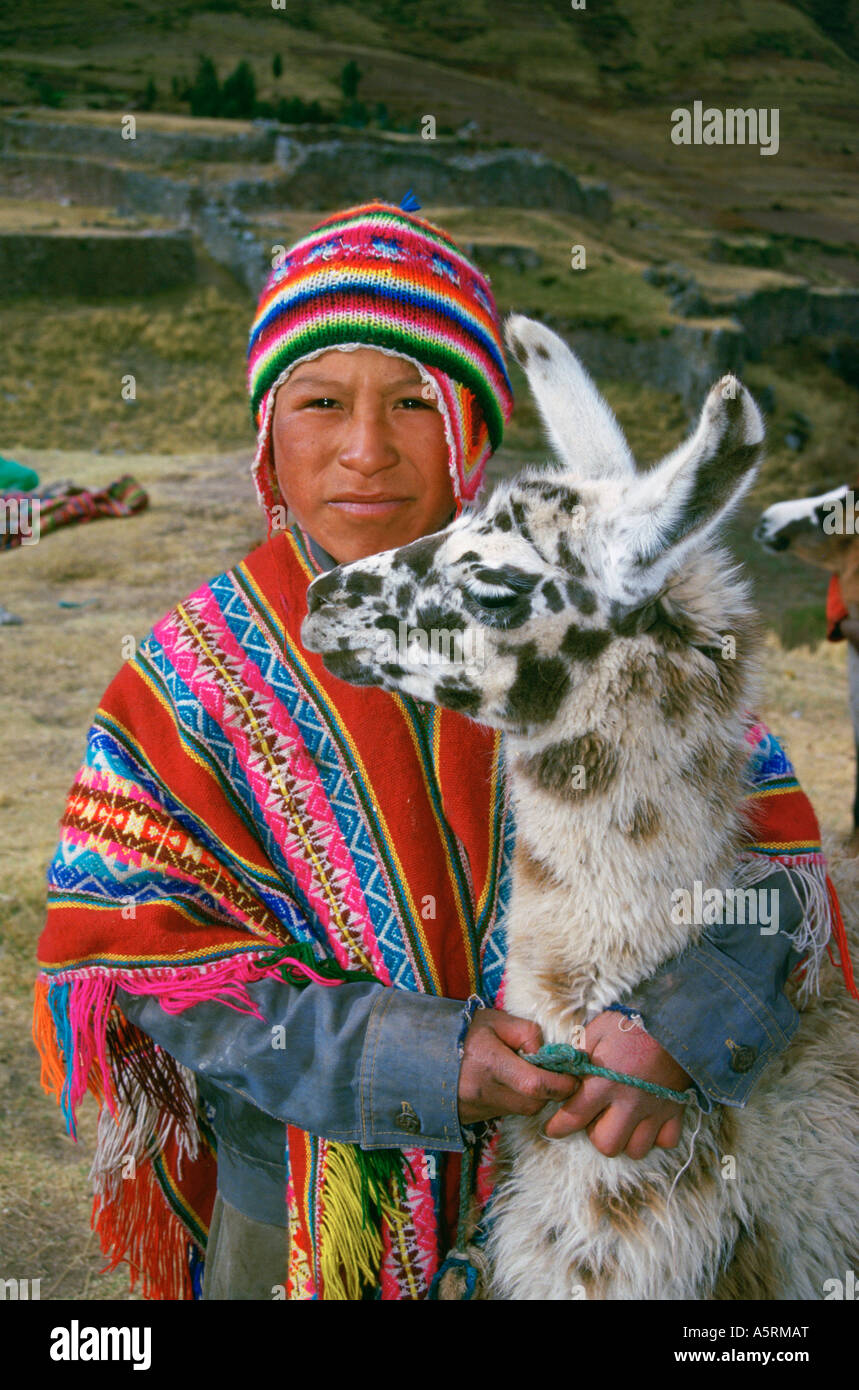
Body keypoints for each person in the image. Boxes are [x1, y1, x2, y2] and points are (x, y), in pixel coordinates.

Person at [33, 200, 848, 1301]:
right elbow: (153, 963)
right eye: (322, 403)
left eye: (414, 403)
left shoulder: (604, 630)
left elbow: (782, 878)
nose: (365, 450)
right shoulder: (182, 684)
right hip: (313, 1218)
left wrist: (687, 1027)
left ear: (470, 426)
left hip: (601, 1199)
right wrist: (410, 1059)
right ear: (268, 428)